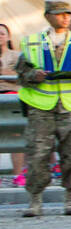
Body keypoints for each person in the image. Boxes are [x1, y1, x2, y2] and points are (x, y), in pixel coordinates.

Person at [13, 1, 71, 216]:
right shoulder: (32, 43)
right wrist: (34, 75)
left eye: (67, 14)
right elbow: (22, 75)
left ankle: (70, 199)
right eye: (59, 14)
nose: (65, 18)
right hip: (41, 107)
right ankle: (35, 201)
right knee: (37, 155)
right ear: (48, 16)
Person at [0, 22, 25, 186]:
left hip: (12, 97)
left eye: (2, 33)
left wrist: (3, 72)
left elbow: (21, 74)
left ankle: (18, 175)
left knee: (16, 135)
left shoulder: (16, 56)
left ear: (8, 37)